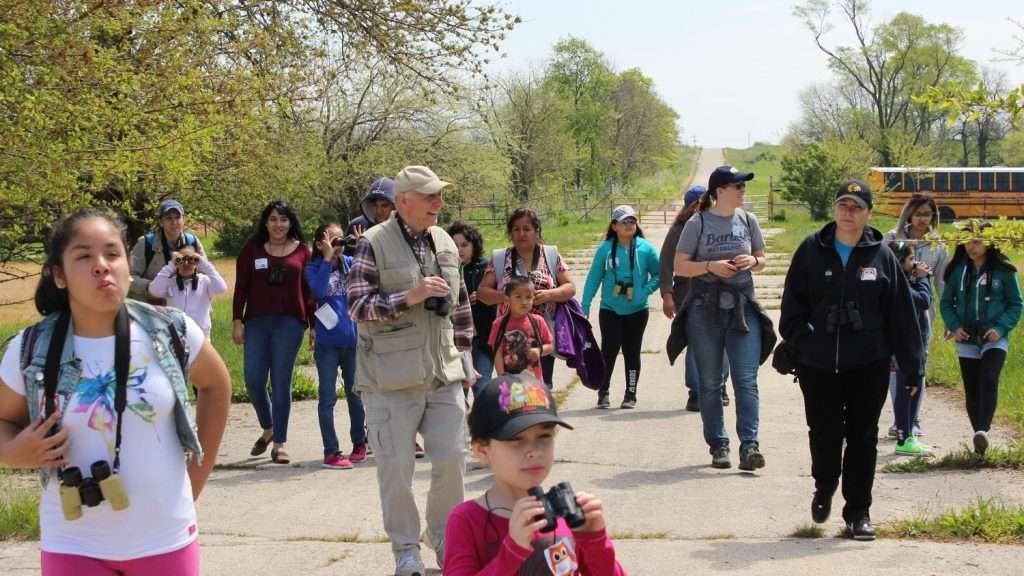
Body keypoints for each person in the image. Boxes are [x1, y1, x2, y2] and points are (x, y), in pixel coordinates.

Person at [0, 208, 230, 575]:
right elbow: (3, 420)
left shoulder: (171, 330)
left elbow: (217, 386)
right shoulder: (31, 348)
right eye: (84, 256)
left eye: (112, 253)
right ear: (59, 275)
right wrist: (12, 451)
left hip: (165, 538)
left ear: (126, 263)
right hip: (71, 543)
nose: (101, 266)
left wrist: (194, 478)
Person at [347, 165, 475, 576]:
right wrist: (411, 295)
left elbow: (461, 305)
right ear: (403, 201)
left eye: (440, 195)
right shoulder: (373, 243)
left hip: (444, 373)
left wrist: (467, 357)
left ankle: (446, 542)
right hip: (390, 379)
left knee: (454, 457)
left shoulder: (444, 242)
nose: (439, 203)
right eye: (430, 195)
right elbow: (357, 307)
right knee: (396, 470)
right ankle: (406, 550)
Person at [780, 179, 923, 540]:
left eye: (857, 207)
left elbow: (902, 316)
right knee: (825, 434)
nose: (849, 212)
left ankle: (858, 512)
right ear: (835, 209)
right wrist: (804, 338)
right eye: (843, 205)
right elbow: (791, 306)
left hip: (869, 364)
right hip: (819, 365)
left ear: (868, 214)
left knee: (863, 438)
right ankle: (824, 484)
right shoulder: (811, 249)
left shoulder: (883, 256)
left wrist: (912, 367)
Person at [444, 373, 626, 575]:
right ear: (482, 450)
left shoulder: (566, 514)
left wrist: (595, 539)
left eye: (544, 436)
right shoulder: (466, 521)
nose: (535, 451)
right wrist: (512, 550)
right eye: (516, 439)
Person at [673, 166, 769, 471]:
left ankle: (750, 446)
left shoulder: (748, 220)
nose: (742, 190)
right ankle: (719, 445)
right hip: (705, 308)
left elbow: (762, 258)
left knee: (746, 379)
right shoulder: (697, 223)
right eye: (736, 185)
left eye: (742, 185)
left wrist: (753, 261)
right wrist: (710, 266)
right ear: (719, 192)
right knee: (711, 382)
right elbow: (680, 266)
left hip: (742, 306)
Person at [232, 200, 312, 465]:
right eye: (274, 219)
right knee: (253, 380)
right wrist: (237, 321)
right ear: (265, 222)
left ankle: (279, 443)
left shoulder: (303, 251)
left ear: (291, 223)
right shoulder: (251, 249)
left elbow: (308, 292)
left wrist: (313, 326)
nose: (279, 225)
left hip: (290, 324)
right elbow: (241, 287)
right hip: (256, 323)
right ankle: (268, 427)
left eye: (284, 219)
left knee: (281, 382)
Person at [940, 220, 1022, 455]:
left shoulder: (1004, 271)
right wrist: (954, 326)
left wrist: (1002, 327)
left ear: (989, 242)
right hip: (966, 338)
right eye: (966, 241)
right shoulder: (958, 270)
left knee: (989, 378)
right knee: (972, 389)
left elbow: (1016, 304)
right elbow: (947, 303)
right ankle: (979, 440)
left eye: (976, 241)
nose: (970, 246)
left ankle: (983, 430)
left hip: (994, 337)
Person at [477, 208, 576, 388]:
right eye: (516, 229)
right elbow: (482, 293)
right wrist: (508, 297)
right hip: (508, 336)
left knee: (542, 387)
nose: (521, 233)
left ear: (537, 231)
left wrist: (549, 294)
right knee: (513, 388)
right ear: (510, 233)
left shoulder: (551, 255)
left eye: (527, 229)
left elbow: (570, 288)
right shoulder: (500, 258)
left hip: (541, 332)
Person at [659, 186, 729, 412]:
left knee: (722, 342)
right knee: (696, 342)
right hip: (688, 294)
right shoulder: (679, 230)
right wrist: (667, 295)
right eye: (698, 203)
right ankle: (696, 391)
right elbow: (666, 264)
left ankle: (720, 386)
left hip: (720, 293)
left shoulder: (719, 225)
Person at [582, 205, 660, 410]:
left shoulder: (645, 248)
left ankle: (630, 393)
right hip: (610, 309)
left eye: (632, 221)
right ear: (614, 226)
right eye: (624, 221)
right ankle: (603, 391)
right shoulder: (605, 249)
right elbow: (593, 278)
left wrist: (645, 291)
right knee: (608, 350)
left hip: (637, 310)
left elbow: (660, 273)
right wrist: (585, 305)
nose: (629, 225)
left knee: (632, 352)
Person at [884, 192, 947, 437]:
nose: (922, 219)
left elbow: (942, 282)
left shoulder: (937, 245)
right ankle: (900, 419)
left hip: (923, 314)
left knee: (918, 364)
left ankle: (914, 418)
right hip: (894, 313)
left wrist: (948, 319)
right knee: (894, 366)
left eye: (927, 214)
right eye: (918, 213)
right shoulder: (892, 238)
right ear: (909, 214)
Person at [305, 223, 366, 469]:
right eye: (332, 240)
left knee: (356, 396)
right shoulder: (312, 268)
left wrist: (363, 247)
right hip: (328, 344)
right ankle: (331, 451)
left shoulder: (350, 263)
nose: (339, 245)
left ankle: (360, 442)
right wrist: (328, 259)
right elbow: (319, 292)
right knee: (327, 397)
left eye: (341, 240)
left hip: (352, 341)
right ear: (320, 244)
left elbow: (369, 276)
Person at [887, 241, 933, 457]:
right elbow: (922, 301)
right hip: (907, 346)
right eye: (911, 260)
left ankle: (906, 434)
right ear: (902, 262)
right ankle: (905, 437)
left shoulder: (890, 280)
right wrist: (924, 279)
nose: (914, 264)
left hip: (896, 345)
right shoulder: (899, 284)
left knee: (907, 388)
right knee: (910, 389)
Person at [448, 220, 497, 395]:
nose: (459, 249)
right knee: (457, 394)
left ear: (474, 246)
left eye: (464, 245)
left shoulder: (487, 269)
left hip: (482, 340)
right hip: (454, 343)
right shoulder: (443, 269)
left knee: (481, 387)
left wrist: (484, 297)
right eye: (454, 245)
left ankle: (484, 421)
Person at [129, 199, 206, 302]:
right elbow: (128, 278)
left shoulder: (193, 242)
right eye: (168, 218)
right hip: (152, 308)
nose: (174, 222)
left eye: (178, 217)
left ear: (183, 220)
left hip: (184, 308)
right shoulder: (146, 243)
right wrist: (150, 287)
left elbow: (206, 274)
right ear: (161, 222)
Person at [147, 245, 228, 338]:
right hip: (176, 337)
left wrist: (203, 263)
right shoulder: (170, 282)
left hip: (201, 337)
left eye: (190, 259)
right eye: (182, 259)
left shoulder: (205, 282)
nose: (186, 263)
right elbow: (154, 290)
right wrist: (171, 265)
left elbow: (221, 288)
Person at [489, 276, 554, 381]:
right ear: (507, 299)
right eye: (518, 297)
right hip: (509, 380)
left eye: (528, 297)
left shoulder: (538, 321)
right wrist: (502, 378)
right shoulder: (499, 324)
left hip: (534, 381)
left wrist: (539, 350)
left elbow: (550, 346)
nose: (524, 302)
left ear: (534, 298)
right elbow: (497, 352)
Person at [345, 177, 396, 254]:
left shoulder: (402, 229)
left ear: (394, 206)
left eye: (384, 206)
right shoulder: (357, 226)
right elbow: (344, 263)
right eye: (375, 205)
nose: (379, 211)